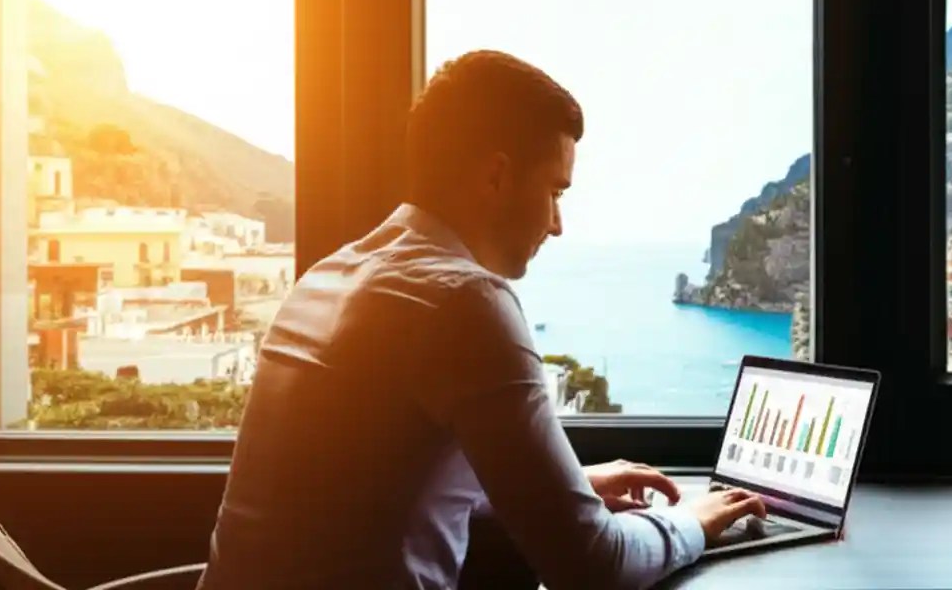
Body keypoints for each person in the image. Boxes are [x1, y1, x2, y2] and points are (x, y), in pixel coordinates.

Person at [195, 50, 767, 590]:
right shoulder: (464, 302)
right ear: (495, 177)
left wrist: (571, 489)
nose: (556, 223)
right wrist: (696, 520)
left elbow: (371, 491)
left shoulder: (326, 278)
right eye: (554, 191)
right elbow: (593, 567)